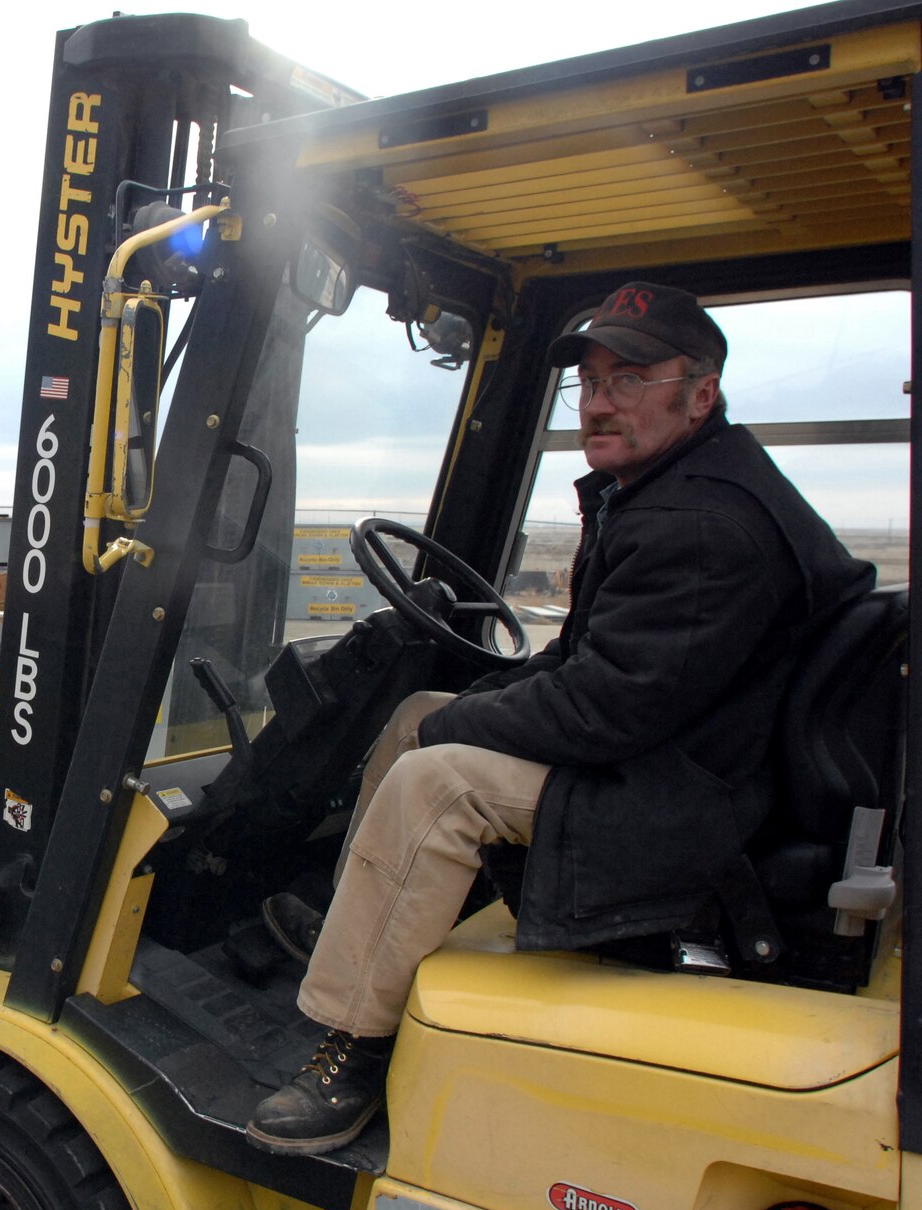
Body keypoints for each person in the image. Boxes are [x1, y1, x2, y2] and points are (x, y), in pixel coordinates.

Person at [244, 282, 875, 1155]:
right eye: (594, 384)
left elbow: (600, 710)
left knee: (434, 777)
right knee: (423, 712)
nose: (603, 402)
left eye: (631, 379)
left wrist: (459, 730)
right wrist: (463, 710)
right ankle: (359, 935)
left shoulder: (698, 524)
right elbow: (586, 660)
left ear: (702, 393)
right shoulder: (669, 487)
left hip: (687, 796)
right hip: (685, 750)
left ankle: (353, 1051)